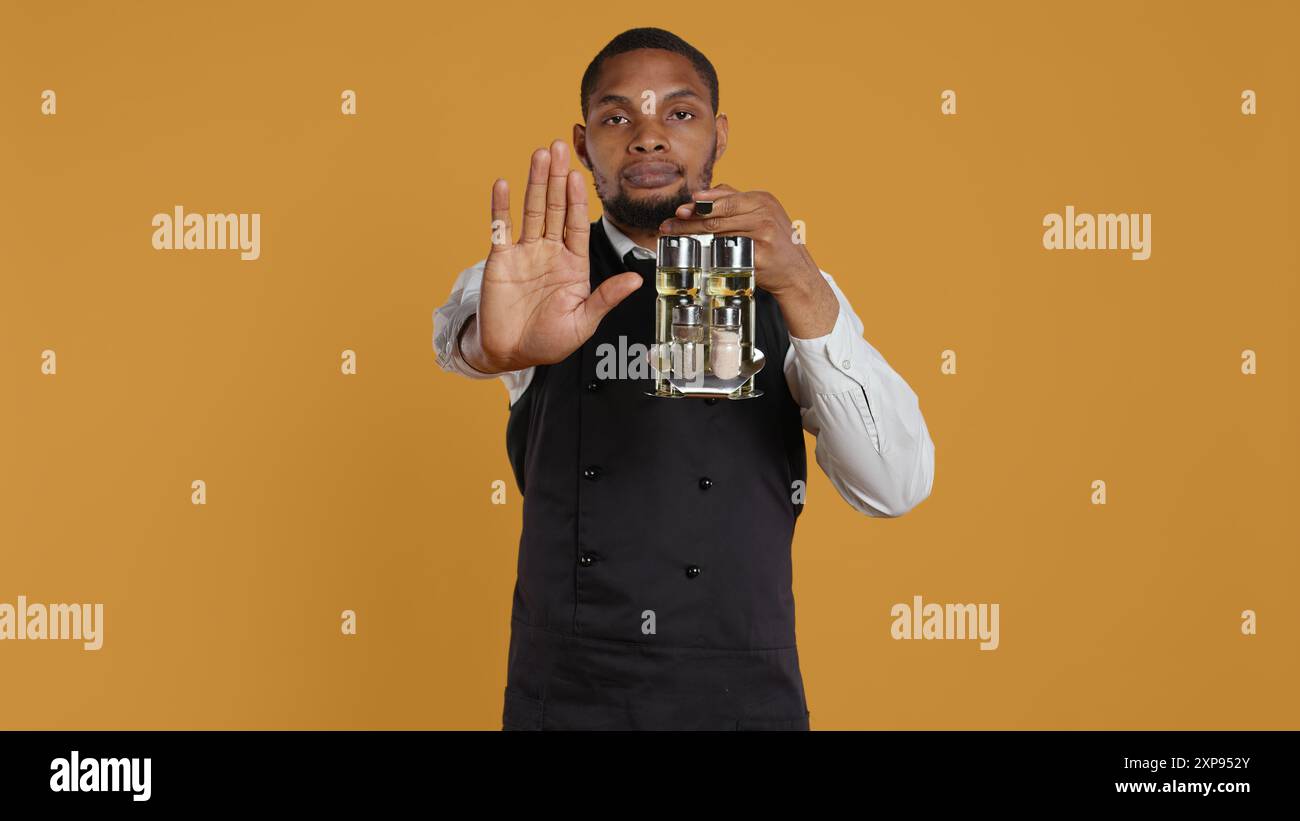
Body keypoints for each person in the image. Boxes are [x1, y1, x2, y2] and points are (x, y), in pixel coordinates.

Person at [433, 27, 935, 730]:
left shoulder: (793, 289)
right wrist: (493, 348)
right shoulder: (538, 272)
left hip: (742, 696)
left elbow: (895, 486)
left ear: (719, 135)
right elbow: (462, 338)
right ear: (583, 144)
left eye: (679, 112)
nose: (647, 137)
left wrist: (803, 285)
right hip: (568, 695)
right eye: (618, 118)